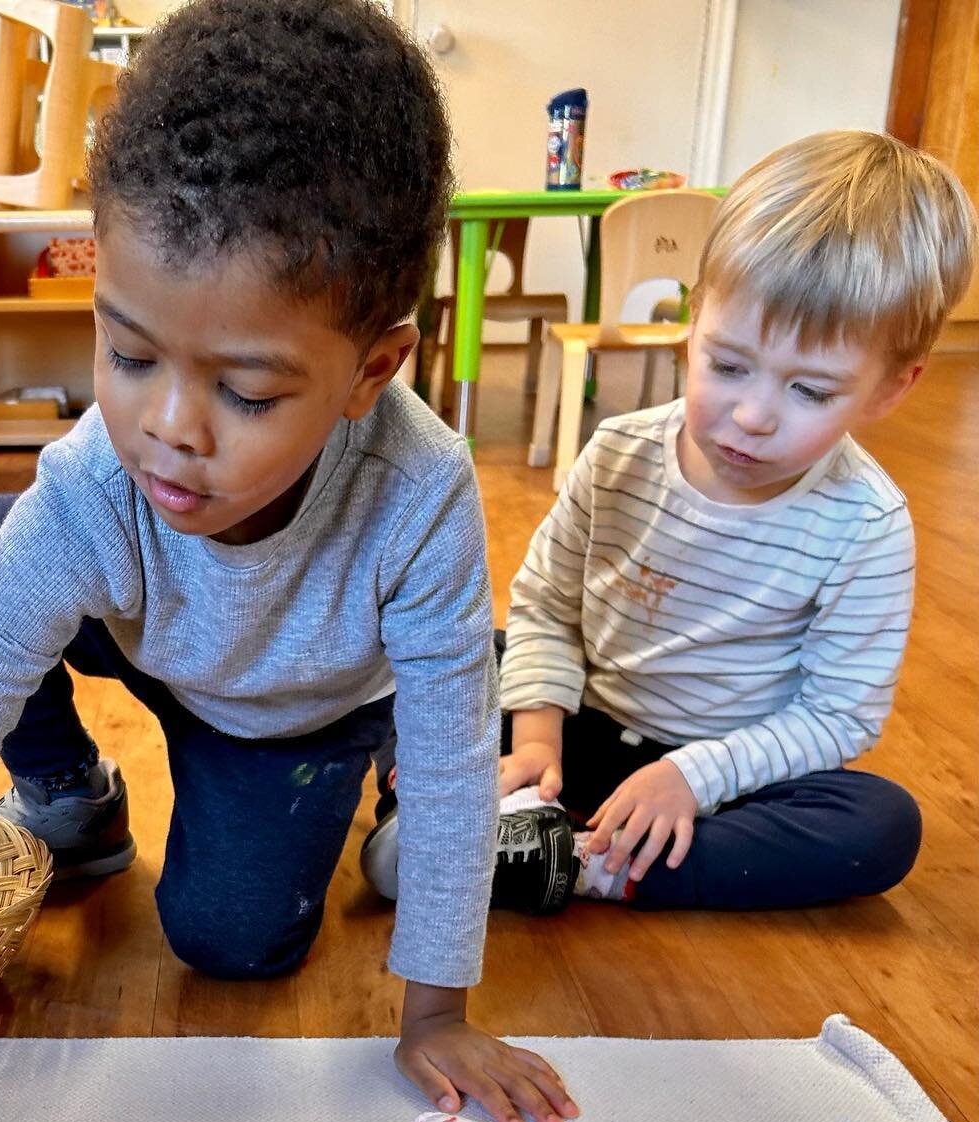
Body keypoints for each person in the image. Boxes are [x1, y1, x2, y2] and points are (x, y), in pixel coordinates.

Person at [0, 0, 577, 1122]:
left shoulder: (420, 490)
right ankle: (74, 798)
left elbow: (454, 773)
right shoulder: (97, 481)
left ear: (370, 371)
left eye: (245, 390)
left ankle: (391, 722)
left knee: (232, 944)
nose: (167, 430)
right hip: (162, 647)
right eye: (128, 356)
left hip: (305, 707)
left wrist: (436, 1014)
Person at [363, 130, 977, 914]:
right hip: (583, 727)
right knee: (434, 654)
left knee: (881, 826)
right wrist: (539, 735)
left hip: (722, 781)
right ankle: (448, 818)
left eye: (811, 393)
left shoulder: (868, 524)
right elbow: (547, 606)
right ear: (693, 316)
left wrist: (694, 776)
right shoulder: (620, 453)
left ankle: (575, 863)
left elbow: (837, 715)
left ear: (893, 388)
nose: (751, 416)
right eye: (726, 365)